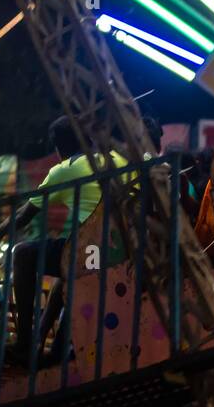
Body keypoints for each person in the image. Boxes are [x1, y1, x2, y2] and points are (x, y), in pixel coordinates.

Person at [9, 116, 127, 368]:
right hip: (121, 251)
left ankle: (23, 342)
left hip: (89, 252)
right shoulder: (120, 161)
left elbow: (22, 217)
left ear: (59, 149)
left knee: (23, 254)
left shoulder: (65, 170)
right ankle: (51, 346)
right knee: (69, 264)